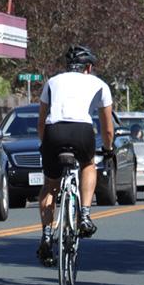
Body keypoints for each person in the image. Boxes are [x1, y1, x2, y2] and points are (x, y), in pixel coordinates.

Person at [36, 44, 115, 267]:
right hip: (82, 131)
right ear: (88, 67)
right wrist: (108, 149)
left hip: (54, 131)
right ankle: (86, 214)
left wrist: (45, 145)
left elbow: (41, 121)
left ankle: (46, 234)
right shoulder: (100, 85)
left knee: (50, 185)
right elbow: (107, 128)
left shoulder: (52, 82)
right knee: (89, 165)